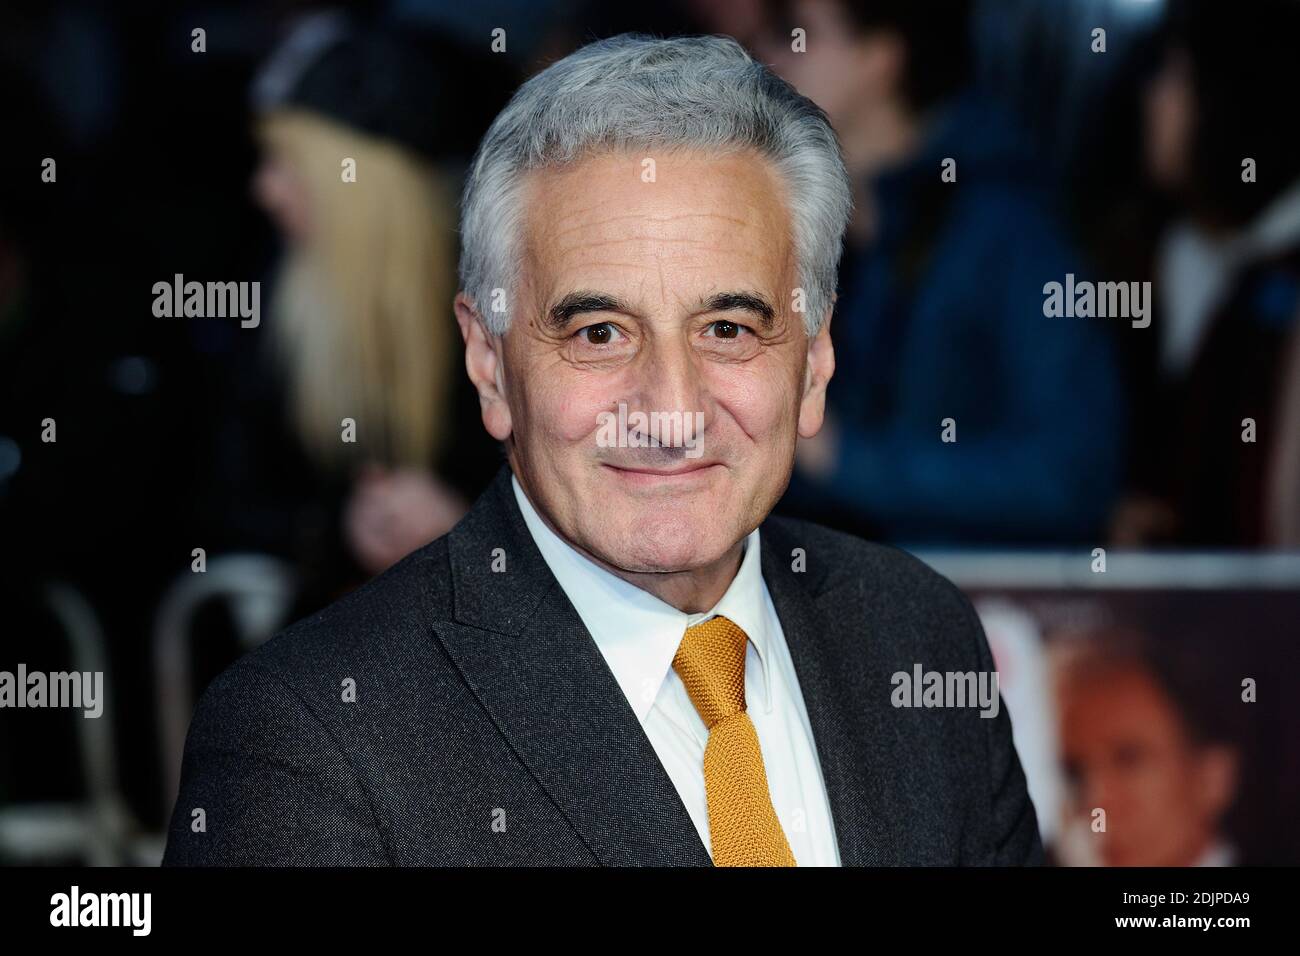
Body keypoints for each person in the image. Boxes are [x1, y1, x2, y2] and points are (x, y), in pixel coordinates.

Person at [163, 34, 1042, 867]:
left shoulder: (919, 642)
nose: (669, 411)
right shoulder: (312, 740)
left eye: (729, 328)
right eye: (598, 333)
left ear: (813, 364)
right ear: (490, 365)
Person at [755, 0, 1124, 545]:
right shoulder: (807, 222)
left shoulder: (1008, 227)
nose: (769, 57)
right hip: (843, 596)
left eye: (796, 32)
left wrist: (842, 458)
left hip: (981, 609)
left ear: (881, 57)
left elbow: (1070, 473)